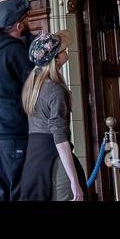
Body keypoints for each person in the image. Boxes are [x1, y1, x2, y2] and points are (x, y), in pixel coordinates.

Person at [17, 32, 85, 201]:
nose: (65, 49)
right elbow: (60, 138)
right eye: (61, 49)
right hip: (54, 158)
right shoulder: (56, 90)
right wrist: (74, 181)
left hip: (34, 158)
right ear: (56, 59)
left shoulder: (31, 86)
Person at [0, 0, 34, 200]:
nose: (29, 23)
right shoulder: (13, 51)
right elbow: (35, 85)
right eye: (27, 19)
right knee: (20, 195)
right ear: (19, 25)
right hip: (14, 138)